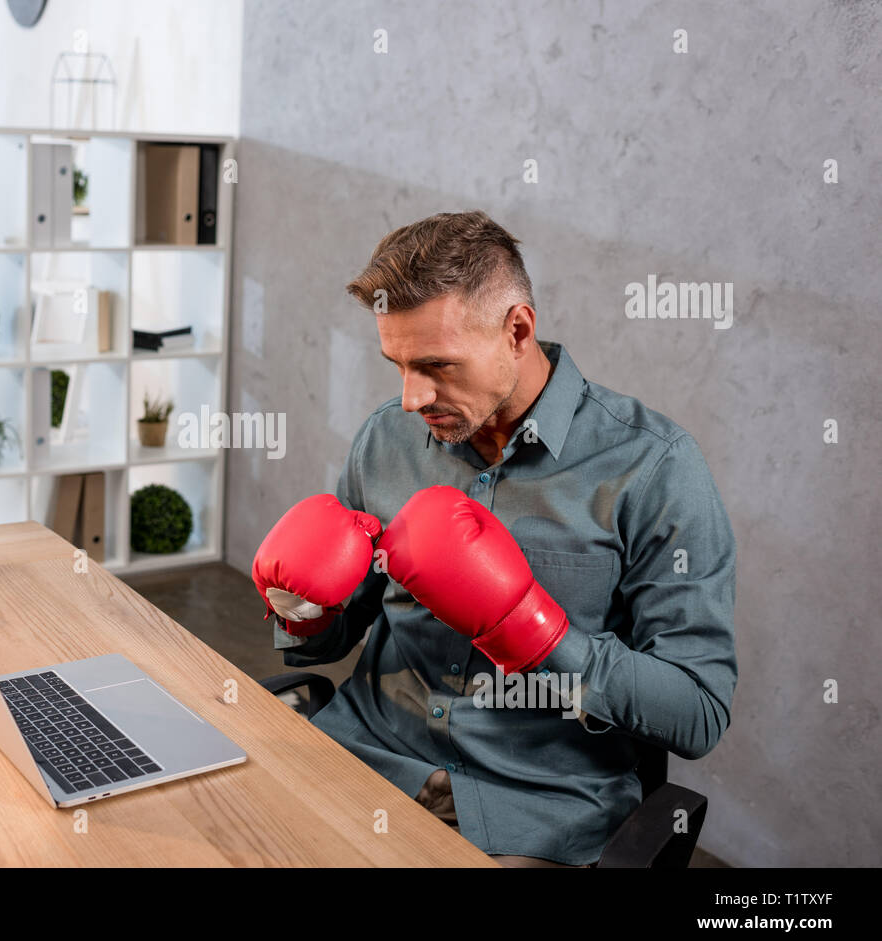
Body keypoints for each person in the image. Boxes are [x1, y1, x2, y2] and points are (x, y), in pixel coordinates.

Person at [252, 211, 737, 867]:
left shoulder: (654, 467)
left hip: (532, 809)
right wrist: (304, 608)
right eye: (396, 363)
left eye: (436, 365)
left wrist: (536, 631)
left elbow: (698, 712)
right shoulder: (386, 441)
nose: (410, 397)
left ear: (518, 330)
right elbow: (332, 636)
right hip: (366, 758)